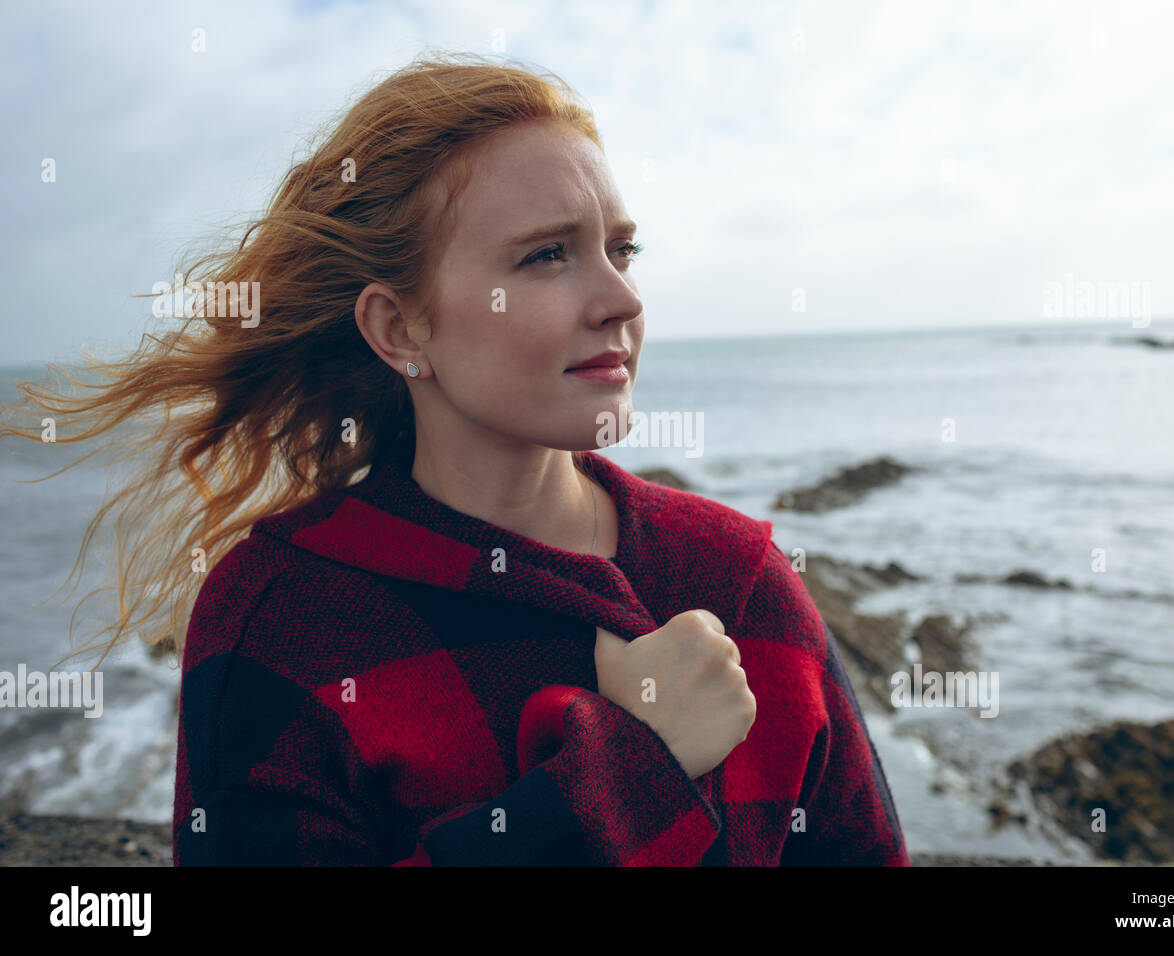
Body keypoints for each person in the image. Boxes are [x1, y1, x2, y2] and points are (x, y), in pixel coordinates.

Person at [4, 52, 909, 866]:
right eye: (547, 256)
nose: (621, 299)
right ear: (401, 328)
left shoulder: (737, 577)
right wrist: (626, 782)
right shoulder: (281, 617)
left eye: (621, 249)